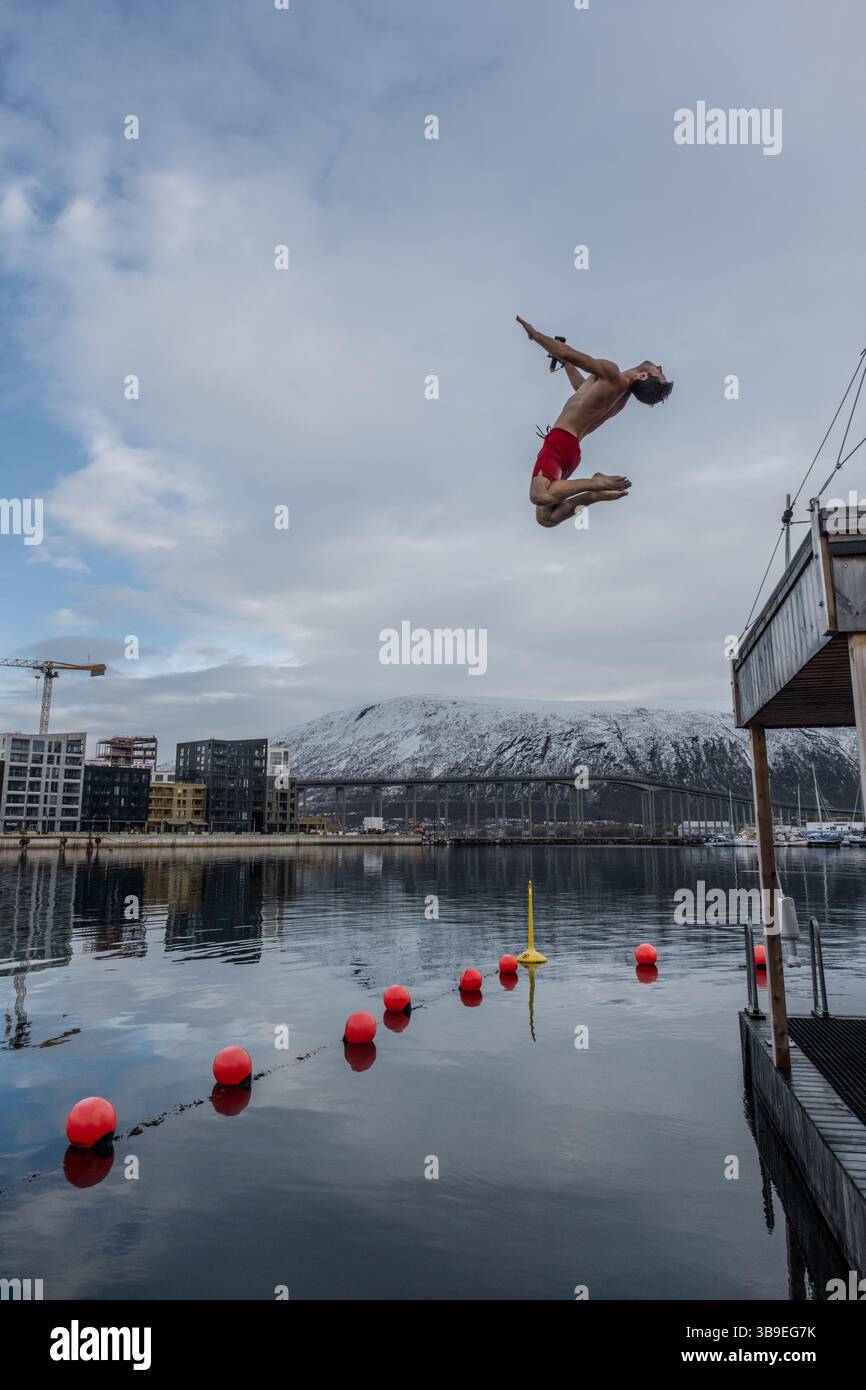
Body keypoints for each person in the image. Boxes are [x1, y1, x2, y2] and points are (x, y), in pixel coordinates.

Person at [516, 316, 673, 528]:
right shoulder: (618, 399)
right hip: (572, 451)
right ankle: (592, 495)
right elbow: (581, 391)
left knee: (539, 496)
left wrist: (535, 336)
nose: (660, 366)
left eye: (660, 373)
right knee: (546, 518)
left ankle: (595, 482)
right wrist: (566, 364)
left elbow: (567, 352)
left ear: (643, 376)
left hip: (560, 441)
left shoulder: (612, 373)